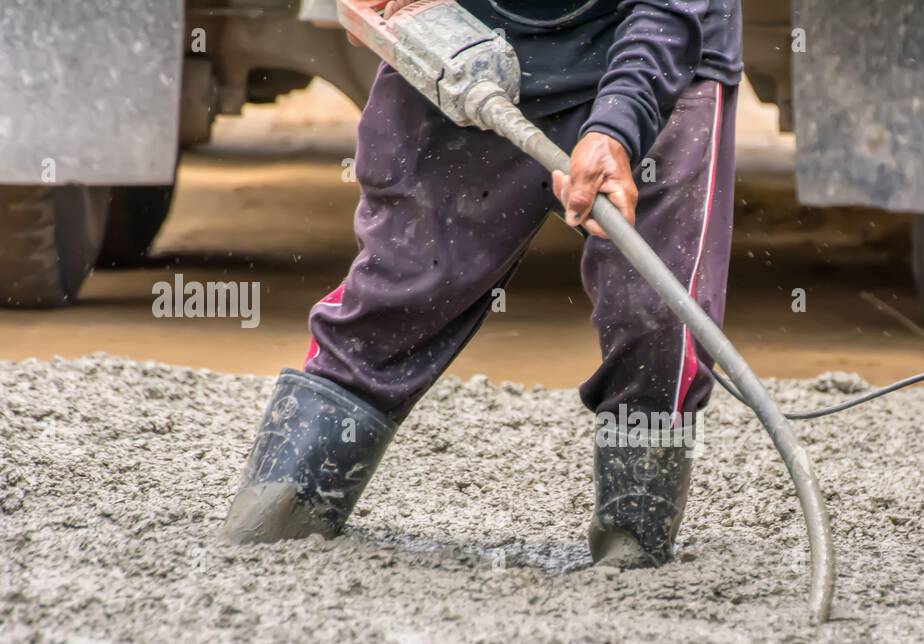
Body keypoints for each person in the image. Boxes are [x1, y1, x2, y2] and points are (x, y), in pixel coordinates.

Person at [222, 0, 743, 567]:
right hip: (464, 36)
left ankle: (633, 551)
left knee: (655, 318)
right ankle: (278, 509)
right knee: (397, 292)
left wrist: (618, 125)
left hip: (655, 50)